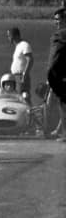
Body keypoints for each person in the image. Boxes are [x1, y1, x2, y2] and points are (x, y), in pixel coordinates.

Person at [47, 7, 66, 141]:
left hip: (62, 76)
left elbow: (54, 61)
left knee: (63, 104)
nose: (56, 22)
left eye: (58, 19)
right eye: (55, 20)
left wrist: (52, 76)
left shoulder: (60, 36)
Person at [8, 27, 33, 99]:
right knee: (17, 98)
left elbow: (30, 59)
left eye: (9, 35)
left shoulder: (24, 45)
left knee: (23, 98)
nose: (8, 38)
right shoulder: (18, 46)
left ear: (15, 35)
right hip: (15, 77)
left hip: (21, 76)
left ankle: (29, 110)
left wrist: (25, 73)